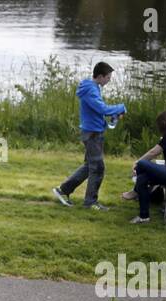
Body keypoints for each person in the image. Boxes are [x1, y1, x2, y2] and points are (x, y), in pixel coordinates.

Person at [52, 61, 126, 210]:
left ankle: (63, 190)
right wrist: (120, 107)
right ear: (100, 76)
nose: (109, 80)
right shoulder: (91, 90)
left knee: (89, 166)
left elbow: (98, 111)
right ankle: (90, 202)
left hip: (94, 132)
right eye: (108, 77)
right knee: (98, 168)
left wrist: (113, 117)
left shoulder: (93, 87)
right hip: (92, 134)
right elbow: (102, 108)